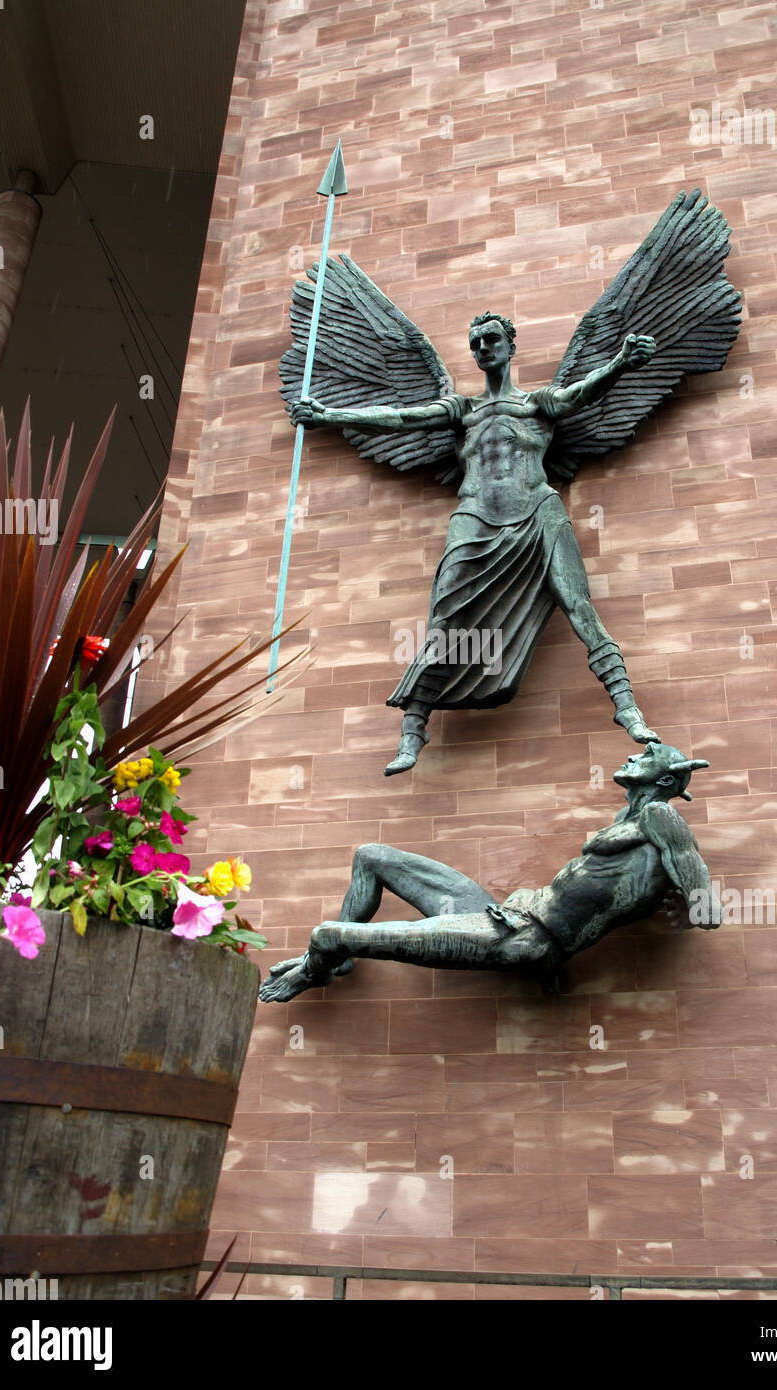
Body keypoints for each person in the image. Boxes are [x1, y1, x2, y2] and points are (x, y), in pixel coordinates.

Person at [290, 315, 660, 775]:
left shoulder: (537, 403)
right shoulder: (462, 410)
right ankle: (412, 729)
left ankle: (627, 709)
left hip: (537, 511)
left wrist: (621, 362)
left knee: (579, 605)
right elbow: (401, 418)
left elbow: (579, 393)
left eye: (492, 339)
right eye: (475, 343)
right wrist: (329, 416)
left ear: (510, 346)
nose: (483, 347)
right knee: (445, 617)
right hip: (474, 515)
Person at [259, 743, 723, 1003]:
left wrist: (689, 906)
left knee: (325, 933)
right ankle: (335, 962)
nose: (629, 758)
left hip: (522, 941)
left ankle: (314, 967)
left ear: (664, 780)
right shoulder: (632, 821)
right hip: (503, 914)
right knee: (372, 856)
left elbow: (701, 889)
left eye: (645, 757)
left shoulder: (662, 817)